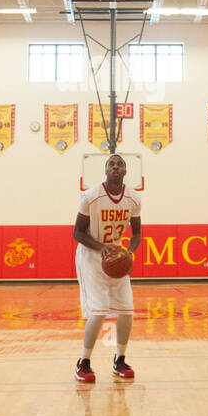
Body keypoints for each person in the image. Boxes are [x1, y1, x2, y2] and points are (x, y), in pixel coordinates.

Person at [71, 153, 142, 383]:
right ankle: (84, 363)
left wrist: (129, 251)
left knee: (127, 310)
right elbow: (77, 233)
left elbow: (137, 233)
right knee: (98, 311)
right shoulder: (91, 196)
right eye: (111, 164)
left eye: (120, 164)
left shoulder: (133, 199)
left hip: (116, 255)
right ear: (105, 171)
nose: (115, 167)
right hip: (91, 255)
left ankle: (119, 360)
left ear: (125, 172)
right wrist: (101, 247)